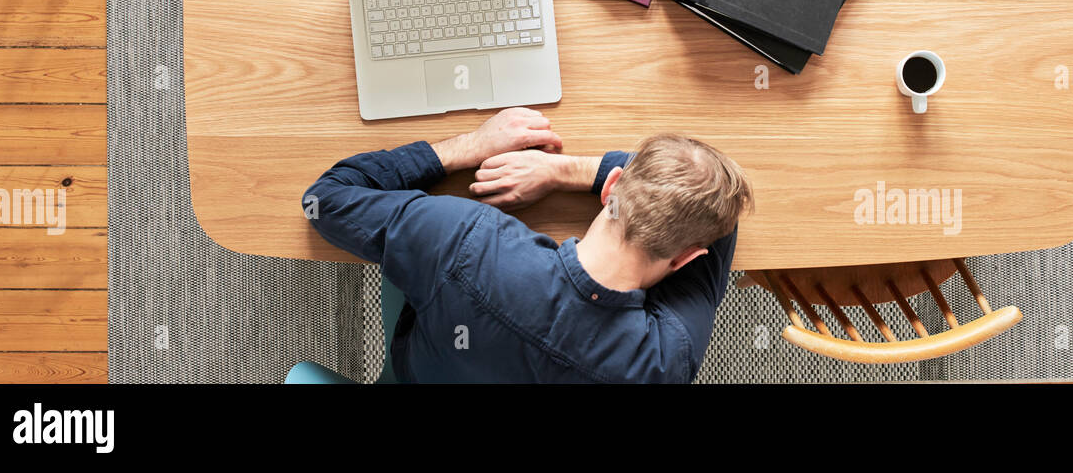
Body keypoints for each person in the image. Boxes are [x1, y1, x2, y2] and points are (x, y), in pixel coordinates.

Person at [303, 107, 754, 382]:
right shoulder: (666, 362)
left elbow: (324, 200)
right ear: (691, 258)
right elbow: (720, 219)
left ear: (611, 187)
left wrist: (470, 146)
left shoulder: (462, 238)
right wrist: (564, 173)